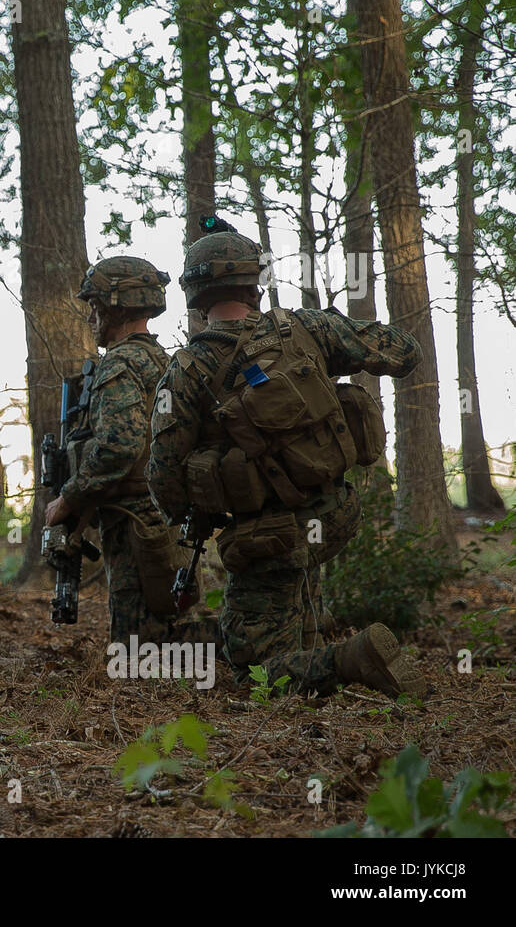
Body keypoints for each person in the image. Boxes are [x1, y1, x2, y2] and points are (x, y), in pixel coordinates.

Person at [146, 228, 427, 698]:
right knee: (296, 590)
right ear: (255, 283)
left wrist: (202, 510)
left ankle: (352, 658)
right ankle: (315, 661)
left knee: (255, 670)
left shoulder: (187, 370)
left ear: (194, 295)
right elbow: (404, 351)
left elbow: (163, 478)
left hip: (267, 537)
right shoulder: (306, 328)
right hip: (336, 514)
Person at [44, 257, 216, 646]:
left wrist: (69, 498)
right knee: (158, 626)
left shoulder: (120, 363)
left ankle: (243, 644)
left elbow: (120, 445)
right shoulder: (161, 359)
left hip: (135, 520)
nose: (90, 316)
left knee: (138, 650)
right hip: (161, 515)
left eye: (95, 306)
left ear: (115, 306)